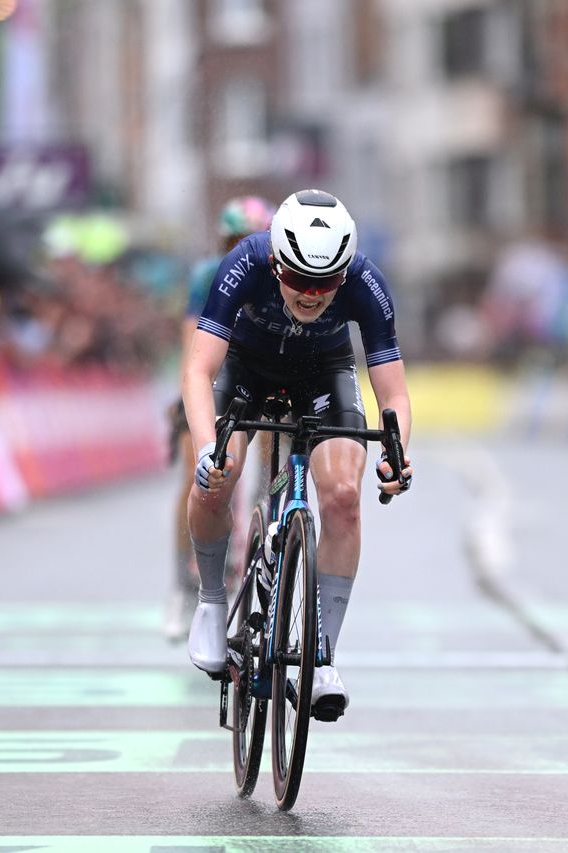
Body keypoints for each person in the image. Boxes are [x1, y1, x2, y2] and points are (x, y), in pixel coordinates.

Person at [183, 189, 413, 722]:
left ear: (345, 271)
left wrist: (397, 455)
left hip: (323, 371)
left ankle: (323, 658)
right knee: (219, 475)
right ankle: (213, 600)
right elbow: (198, 370)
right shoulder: (243, 262)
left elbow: (393, 394)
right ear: (275, 262)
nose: (311, 296)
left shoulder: (367, 282)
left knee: (342, 498)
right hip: (245, 367)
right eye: (299, 282)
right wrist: (204, 449)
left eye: (326, 283)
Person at [163, 196, 275, 641]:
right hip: (219, 371)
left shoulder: (278, 275)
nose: (241, 248)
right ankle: (179, 584)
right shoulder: (209, 275)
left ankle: (265, 523)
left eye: (251, 239)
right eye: (234, 240)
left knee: (273, 448)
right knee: (197, 468)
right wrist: (185, 399)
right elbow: (193, 344)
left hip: (263, 370)